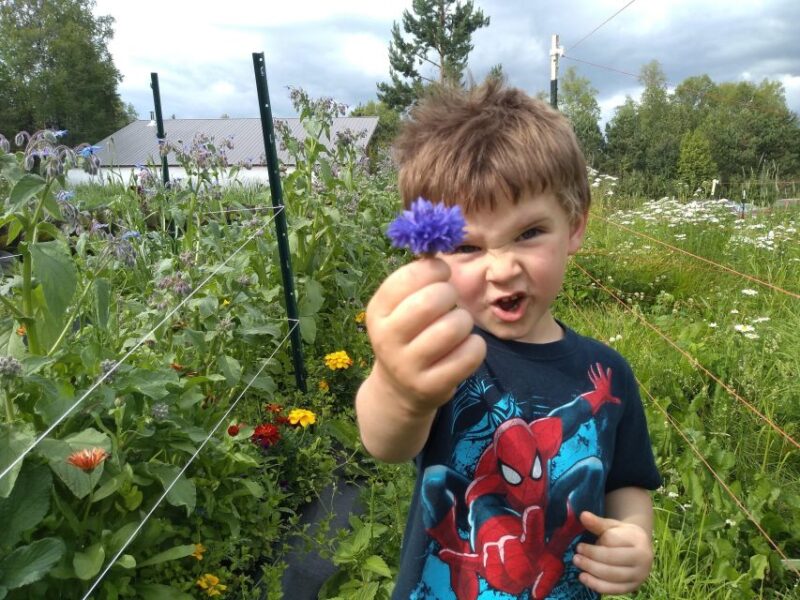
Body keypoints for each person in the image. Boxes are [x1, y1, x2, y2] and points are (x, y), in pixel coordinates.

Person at [355, 80, 662, 600]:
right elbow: (386, 441)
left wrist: (636, 536)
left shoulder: (609, 373)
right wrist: (400, 388)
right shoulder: (442, 355)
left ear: (575, 225)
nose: (503, 268)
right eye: (469, 246)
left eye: (528, 233)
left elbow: (626, 482)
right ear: (428, 255)